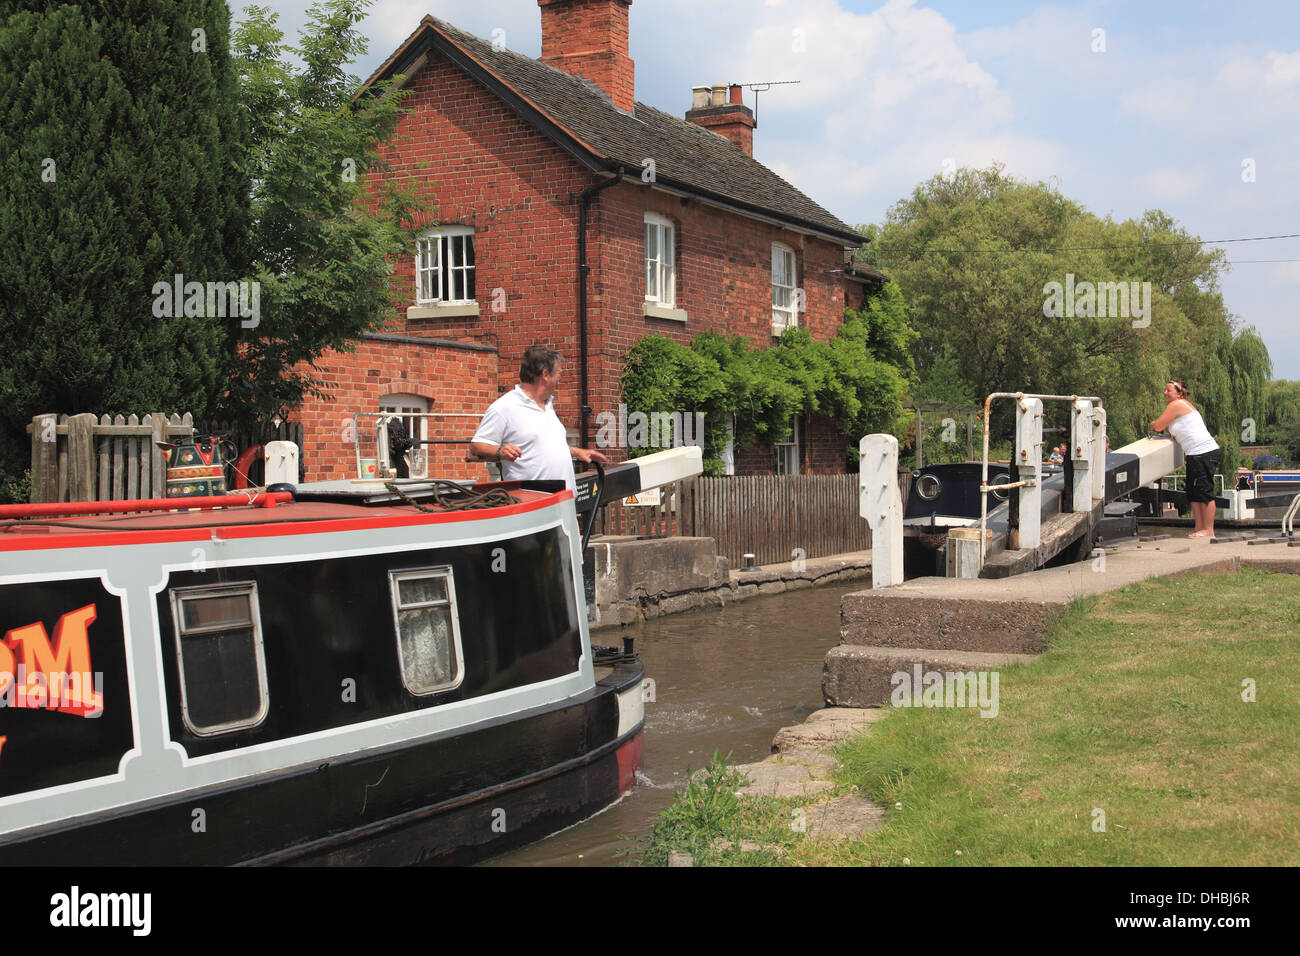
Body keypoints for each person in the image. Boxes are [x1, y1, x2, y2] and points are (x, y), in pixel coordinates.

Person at [470, 345, 608, 492]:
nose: (559, 379)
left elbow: (542, 446)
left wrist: (578, 452)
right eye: (559, 373)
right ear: (546, 375)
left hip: (563, 502)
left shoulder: (547, 405)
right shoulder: (504, 407)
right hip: (532, 505)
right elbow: (477, 446)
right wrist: (500, 451)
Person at [1150, 379, 1220, 538]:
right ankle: (1199, 527)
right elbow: (1168, 425)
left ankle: (1209, 530)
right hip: (1195, 454)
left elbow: (1158, 426)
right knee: (1193, 492)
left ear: (1179, 394)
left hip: (1204, 452)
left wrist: (1154, 423)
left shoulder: (1176, 405)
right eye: (1165, 390)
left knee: (1204, 491)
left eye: (1169, 390)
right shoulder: (1179, 408)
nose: (1165, 393)